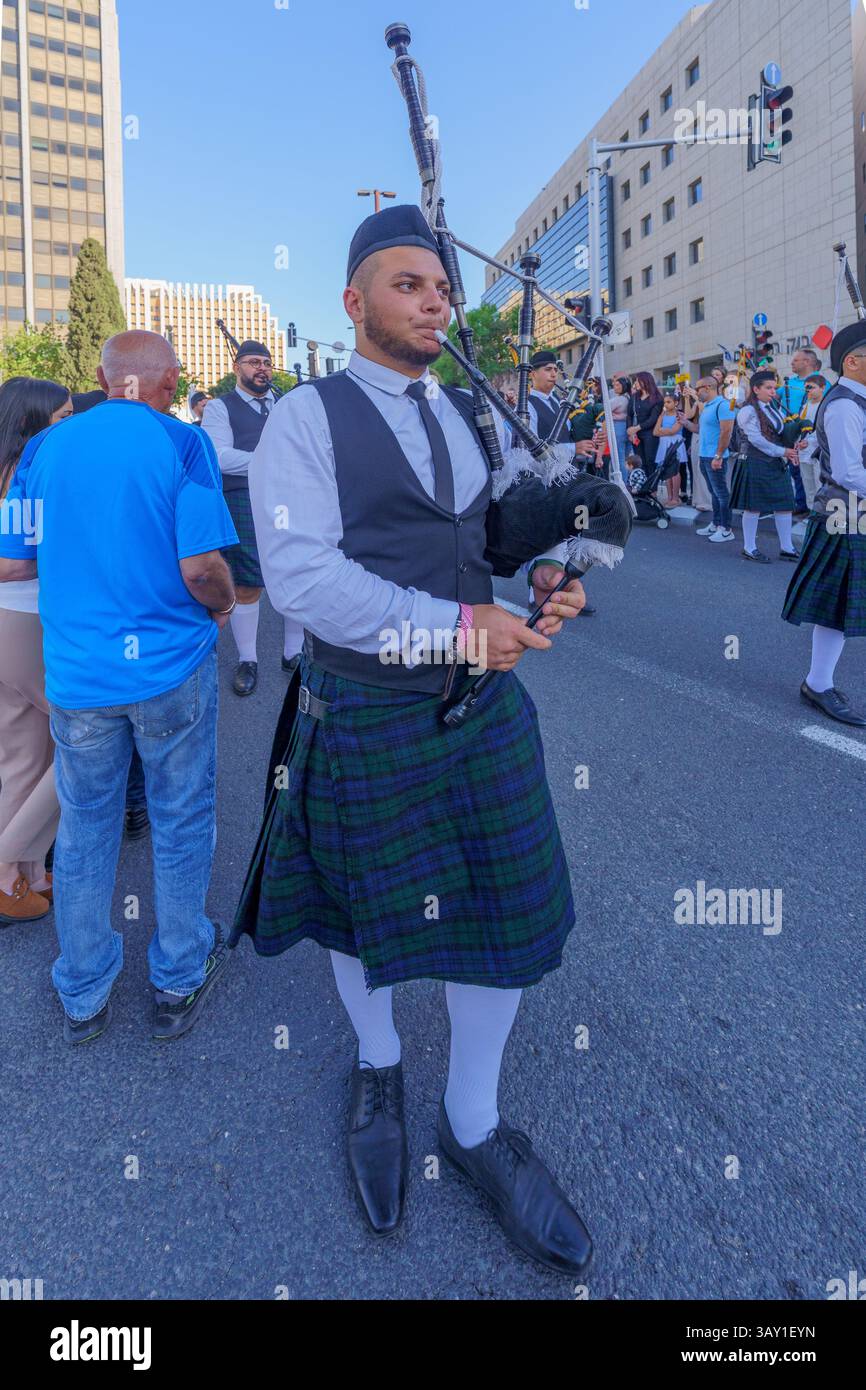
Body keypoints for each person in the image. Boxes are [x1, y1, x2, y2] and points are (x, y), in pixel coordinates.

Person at [233, 204, 595, 1274]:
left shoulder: (459, 413)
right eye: (407, 284)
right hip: (365, 708)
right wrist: (457, 626)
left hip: (478, 710)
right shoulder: (306, 416)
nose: (433, 300)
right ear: (353, 302)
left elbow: (477, 535)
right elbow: (299, 579)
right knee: (360, 913)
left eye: (439, 287)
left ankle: (471, 1122)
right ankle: (379, 1061)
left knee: (504, 904)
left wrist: (541, 570)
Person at [0, 330, 239, 1044]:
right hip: (169, 668)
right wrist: (226, 605)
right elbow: (201, 568)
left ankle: (83, 986)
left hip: (78, 674)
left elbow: (12, 564)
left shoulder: (46, 448)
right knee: (180, 814)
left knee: (85, 823)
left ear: (104, 379)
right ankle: (177, 972)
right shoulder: (184, 443)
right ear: (167, 380)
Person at [0, 376, 72, 925]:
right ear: (31, 422)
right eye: (62, 416)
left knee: (24, 756)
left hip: (20, 621)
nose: (72, 425)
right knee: (84, 731)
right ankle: (5, 863)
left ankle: (22, 876)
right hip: (23, 622)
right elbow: (10, 563)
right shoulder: (20, 481)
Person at [202, 342, 301, 693]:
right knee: (247, 584)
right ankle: (248, 659)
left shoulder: (288, 404)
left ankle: (294, 653)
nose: (262, 368)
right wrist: (271, 461)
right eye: (253, 362)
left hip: (291, 495)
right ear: (236, 368)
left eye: (267, 363)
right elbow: (218, 456)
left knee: (295, 571)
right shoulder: (219, 407)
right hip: (244, 496)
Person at [782, 323, 866, 726]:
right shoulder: (846, 405)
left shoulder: (855, 401)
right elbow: (850, 472)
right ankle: (818, 682)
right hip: (847, 512)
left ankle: (818, 681)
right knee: (838, 606)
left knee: (846, 602)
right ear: (852, 362)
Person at [731, 371, 799, 563]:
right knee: (754, 507)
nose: (773, 391)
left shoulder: (773, 408)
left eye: (774, 387)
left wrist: (794, 445)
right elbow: (757, 440)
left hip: (775, 462)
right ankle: (749, 547)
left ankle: (787, 547)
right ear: (756, 389)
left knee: (784, 504)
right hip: (755, 461)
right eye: (768, 388)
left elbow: (781, 433)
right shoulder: (747, 411)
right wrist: (783, 452)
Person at [686, 376, 737, 543]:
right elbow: (700, 429)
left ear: (707, 387)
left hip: (715, 457)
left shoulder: (723, 405)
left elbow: (726, 432)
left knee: (721, 494)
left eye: (698, 388)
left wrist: (718, 455)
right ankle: (716, 524)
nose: (696, 391)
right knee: (714, 493)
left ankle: (726, 529)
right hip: (705, 456)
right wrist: (684, 422)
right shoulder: (708, 406)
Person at [795, 374, 830, 510]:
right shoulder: (805, 406)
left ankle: (822, 514)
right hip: (804, 452)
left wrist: (809, 442)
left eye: (812, 387)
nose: (808, 390)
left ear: (822, 388)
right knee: (808, 484)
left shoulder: (826, 406)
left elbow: (824, 430)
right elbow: (801, 427)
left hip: (818, 452)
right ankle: (812, 513)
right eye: (806, 388)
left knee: (819, 484)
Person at [652, 391, 687, 507]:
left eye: (669, 402)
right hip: (664, 443)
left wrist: (663, 431)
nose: (666, 404)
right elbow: (655, 432)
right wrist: (662, 426)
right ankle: (670, 496)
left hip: (675, 443)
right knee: (667, 471)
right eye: (664, 402)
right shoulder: (662, 415)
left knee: (675, 471)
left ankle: (676, 498)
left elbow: (674, 430)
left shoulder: (679, 415)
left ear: (676, 402)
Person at [626, 371, 663, 474]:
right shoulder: (634, 397)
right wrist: (629, 430)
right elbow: (629, 415)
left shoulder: (657, 398)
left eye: (638, 381)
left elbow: (653, 419)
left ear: (645, 381)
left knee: (650, 460)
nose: (635, 383)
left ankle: (651, 487)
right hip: (636, 434)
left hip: (650, 434)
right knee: (638, 461)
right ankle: (641, 484)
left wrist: (636, 428)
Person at [609, 376, 631, 483]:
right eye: (614, 384)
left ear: (624, 386)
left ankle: (622, 483)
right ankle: (625, 482)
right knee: (625, 458)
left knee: (619, 458)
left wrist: (613, 415)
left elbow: (604, 410)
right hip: (626, 427)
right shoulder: (628, 398)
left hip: (618, 428)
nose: (614, 386)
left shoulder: (619, 399)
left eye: (617, 385)